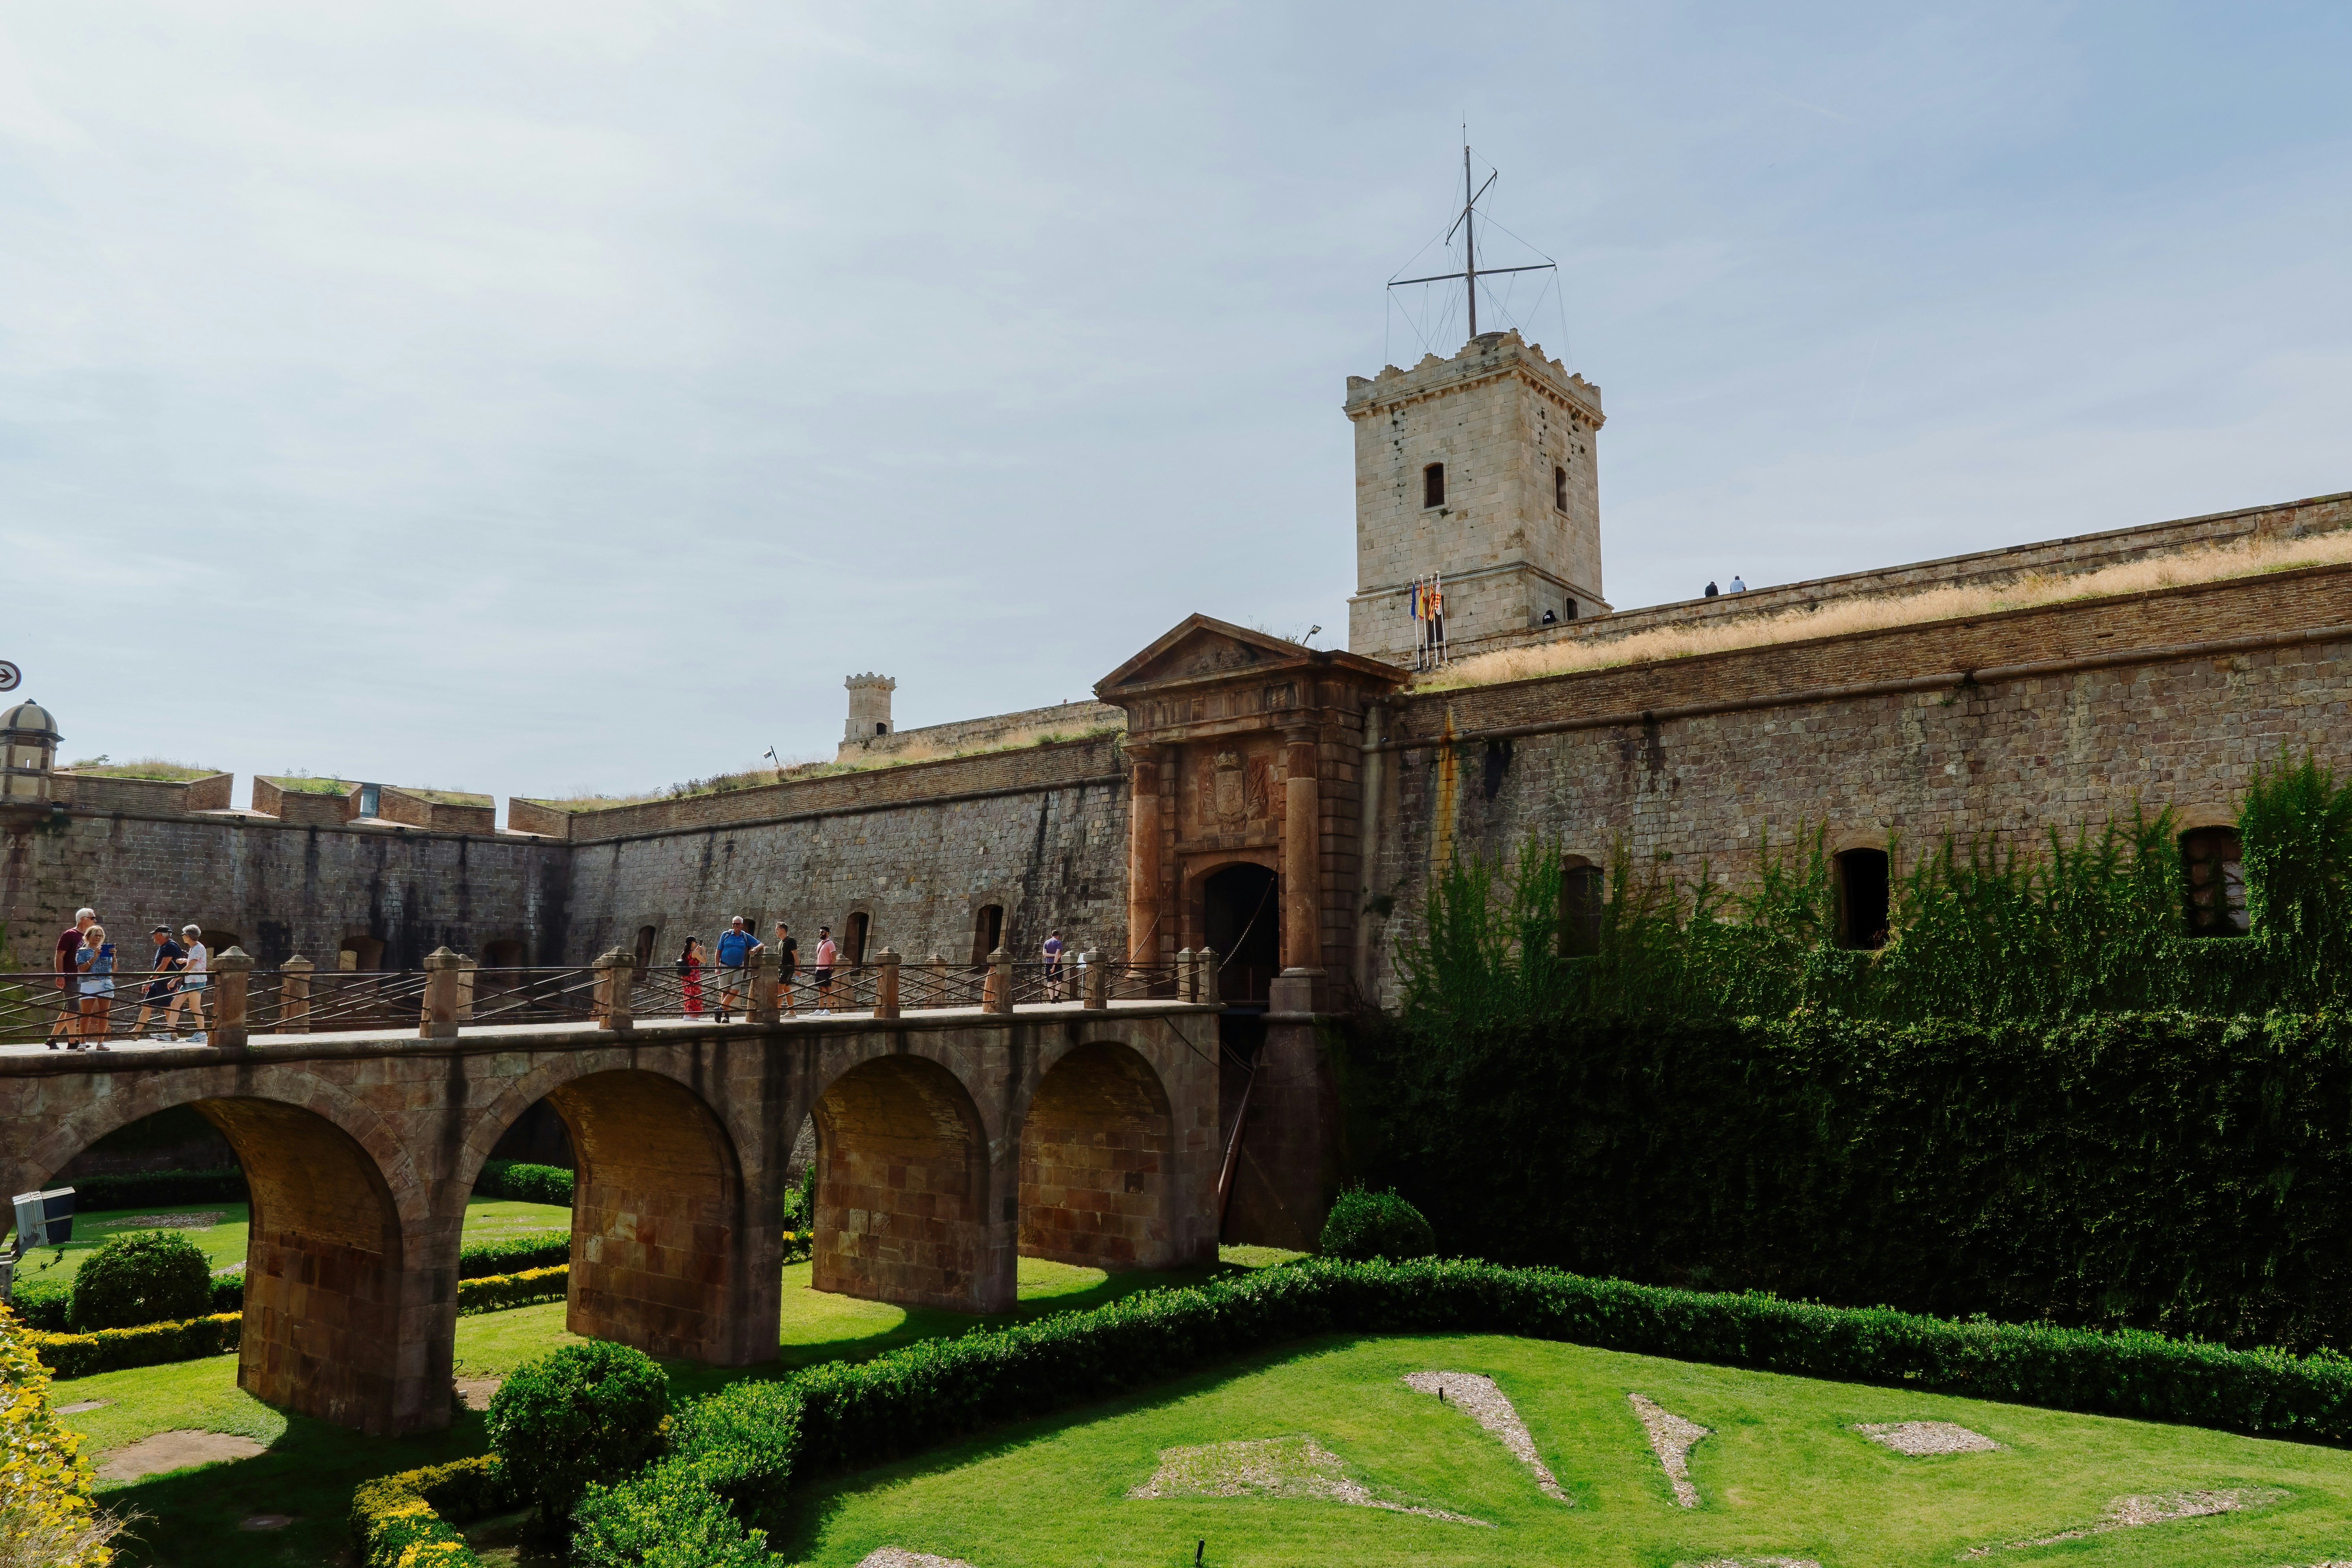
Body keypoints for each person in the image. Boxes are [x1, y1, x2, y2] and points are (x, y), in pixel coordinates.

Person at [49, 907, 94, 1048]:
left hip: (83, 978)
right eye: (93, 918)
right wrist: (61, 975)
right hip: (71, 977)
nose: (95, 921)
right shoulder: (70, 935)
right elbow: (59, 956)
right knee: (74, 1009)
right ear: (83, 920)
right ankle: (73, 1042)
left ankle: (52, 1039)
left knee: (69, 1009)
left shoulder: (89, 937)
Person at [135, 925, 187, 1039]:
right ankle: (136, 1032)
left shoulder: (171, 946)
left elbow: (164, 966)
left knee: (167, 1007)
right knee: (147, 1005)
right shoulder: (165, 946)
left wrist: (150, 981)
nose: (153, 937)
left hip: (166, 982)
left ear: (160, 935)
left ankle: (172, 1033)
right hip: (159, 981)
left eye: (155, 935)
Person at [163, 925, 209, 1043]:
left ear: (188, 936)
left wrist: (175, 980)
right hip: (190, 980)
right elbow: (194, 962)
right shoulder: (194, 948)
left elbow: (190, 967)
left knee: (195, 1007)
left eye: (184, 935)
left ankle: (202, 1033)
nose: (183, 937)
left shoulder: (198, 948)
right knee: (175, 1004)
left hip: (196, 981)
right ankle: (169, 1032)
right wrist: (186, 960)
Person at [76, 923, 116, 1049]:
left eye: (101, 936)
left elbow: (113, 970)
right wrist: (94, 957)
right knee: (86, 1015)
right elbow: (82, 969)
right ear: (89, 936)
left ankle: (101, 1042)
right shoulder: (83, 951)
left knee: (104, 1014)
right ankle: (83, 1042)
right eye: (96, 935)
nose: (99, 938)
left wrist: (115, 958)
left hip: (105, 983)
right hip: (89, 983)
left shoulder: (105, 950)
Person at [714, 915, 759, 1023]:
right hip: (724, 966)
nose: (735, 926)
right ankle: (726, 1016)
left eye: (737, 924)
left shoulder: (745, 937)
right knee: (725, 992)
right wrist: (717, 967)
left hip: (738, 968)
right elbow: (718, 951)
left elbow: (760, 944)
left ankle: (720, 1009)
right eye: (733, 924)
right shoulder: (726, 935)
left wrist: (755, 949)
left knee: (735, 990)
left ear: (742, 925)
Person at [773, 921, 798, 1015]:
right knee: (787, 990)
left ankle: (776, 1012)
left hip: (788, 969)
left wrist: (798, 969)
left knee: (779, 990)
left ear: (783, 930)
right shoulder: (780, 943)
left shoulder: (791, 941)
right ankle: (792, 1012)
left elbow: (796, 955)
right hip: (782, 969)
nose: (776, 931)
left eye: (777, 929)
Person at [812, 927, 838, 1015]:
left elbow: (834, 956)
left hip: (826, 969)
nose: (821, 934)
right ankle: (820, 1008)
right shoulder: (820, 944)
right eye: (820, 932)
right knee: (821, 989)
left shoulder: (830, 944)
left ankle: (828, 1009)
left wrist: (831, 966)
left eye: (822, 932)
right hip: (819, 969)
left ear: (827, 933)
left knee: (828, 988)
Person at [677, 936, 705, 1017]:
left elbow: (691, 959)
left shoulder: (684, 953)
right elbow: (704, 960)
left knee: (688, 995)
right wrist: (704, 951)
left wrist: (697, 950)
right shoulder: (694, 953)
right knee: (695, 995)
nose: (696, 944)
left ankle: (688, 1013)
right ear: (692, 943)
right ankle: (693, 1015)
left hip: (686, 977)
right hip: (694, 977)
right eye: (695, 942)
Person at [1042, 930, 1065, 1001]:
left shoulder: (1046, 943)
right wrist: (1054, 965)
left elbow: (1044, 954)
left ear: (1051, 935)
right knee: (1060, 979)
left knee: (1050, 981)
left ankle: (1052, 999)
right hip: (1057, 964)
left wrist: (1053, 955)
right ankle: (1056, 996)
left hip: (1048, 964)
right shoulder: (1059, 942)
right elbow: (1057, 955)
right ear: (1058, 936)